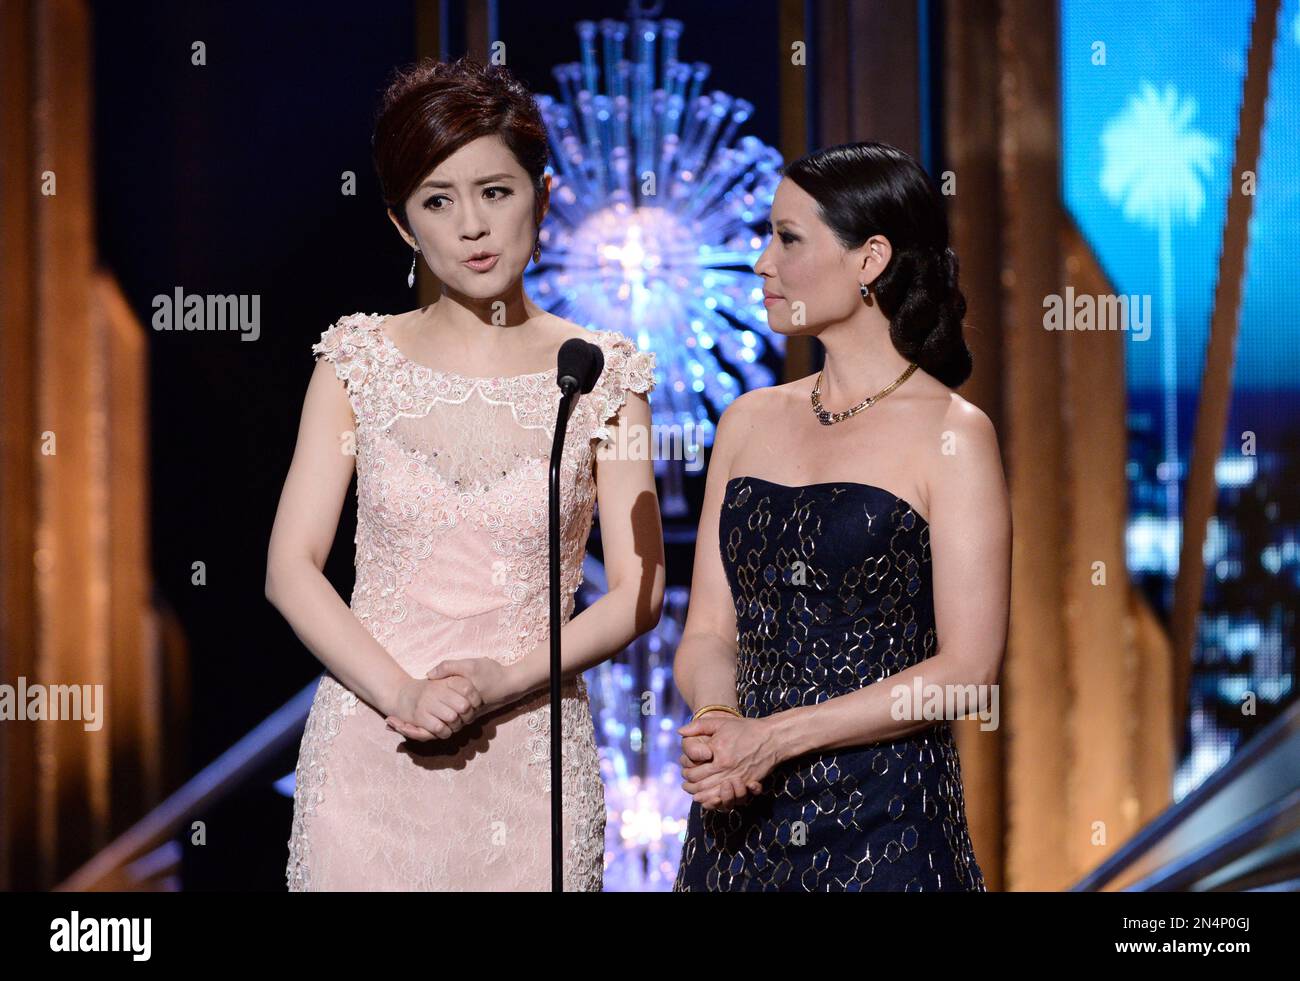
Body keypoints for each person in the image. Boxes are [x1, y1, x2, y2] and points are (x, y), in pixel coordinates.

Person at [266, 56, 665, 891]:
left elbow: (638, 590)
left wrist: (501, 680)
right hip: (369, 760)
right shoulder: (355, 361)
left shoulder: (608, 377)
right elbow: (291, 569)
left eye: (496, 191)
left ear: (543, 195)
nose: (472, 226)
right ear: (404, 224)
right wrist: (400, 693)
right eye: (438, 201)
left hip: (528, 757)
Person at [671, 141, 1010, 891]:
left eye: (787, 238)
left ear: (869, 259)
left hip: (887, 828)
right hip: (737, 825)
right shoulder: (747, 421)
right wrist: (722, 719)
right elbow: (704, 634)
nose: (761, 261)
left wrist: (776, 737)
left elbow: (968, 673)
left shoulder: (953, 433)